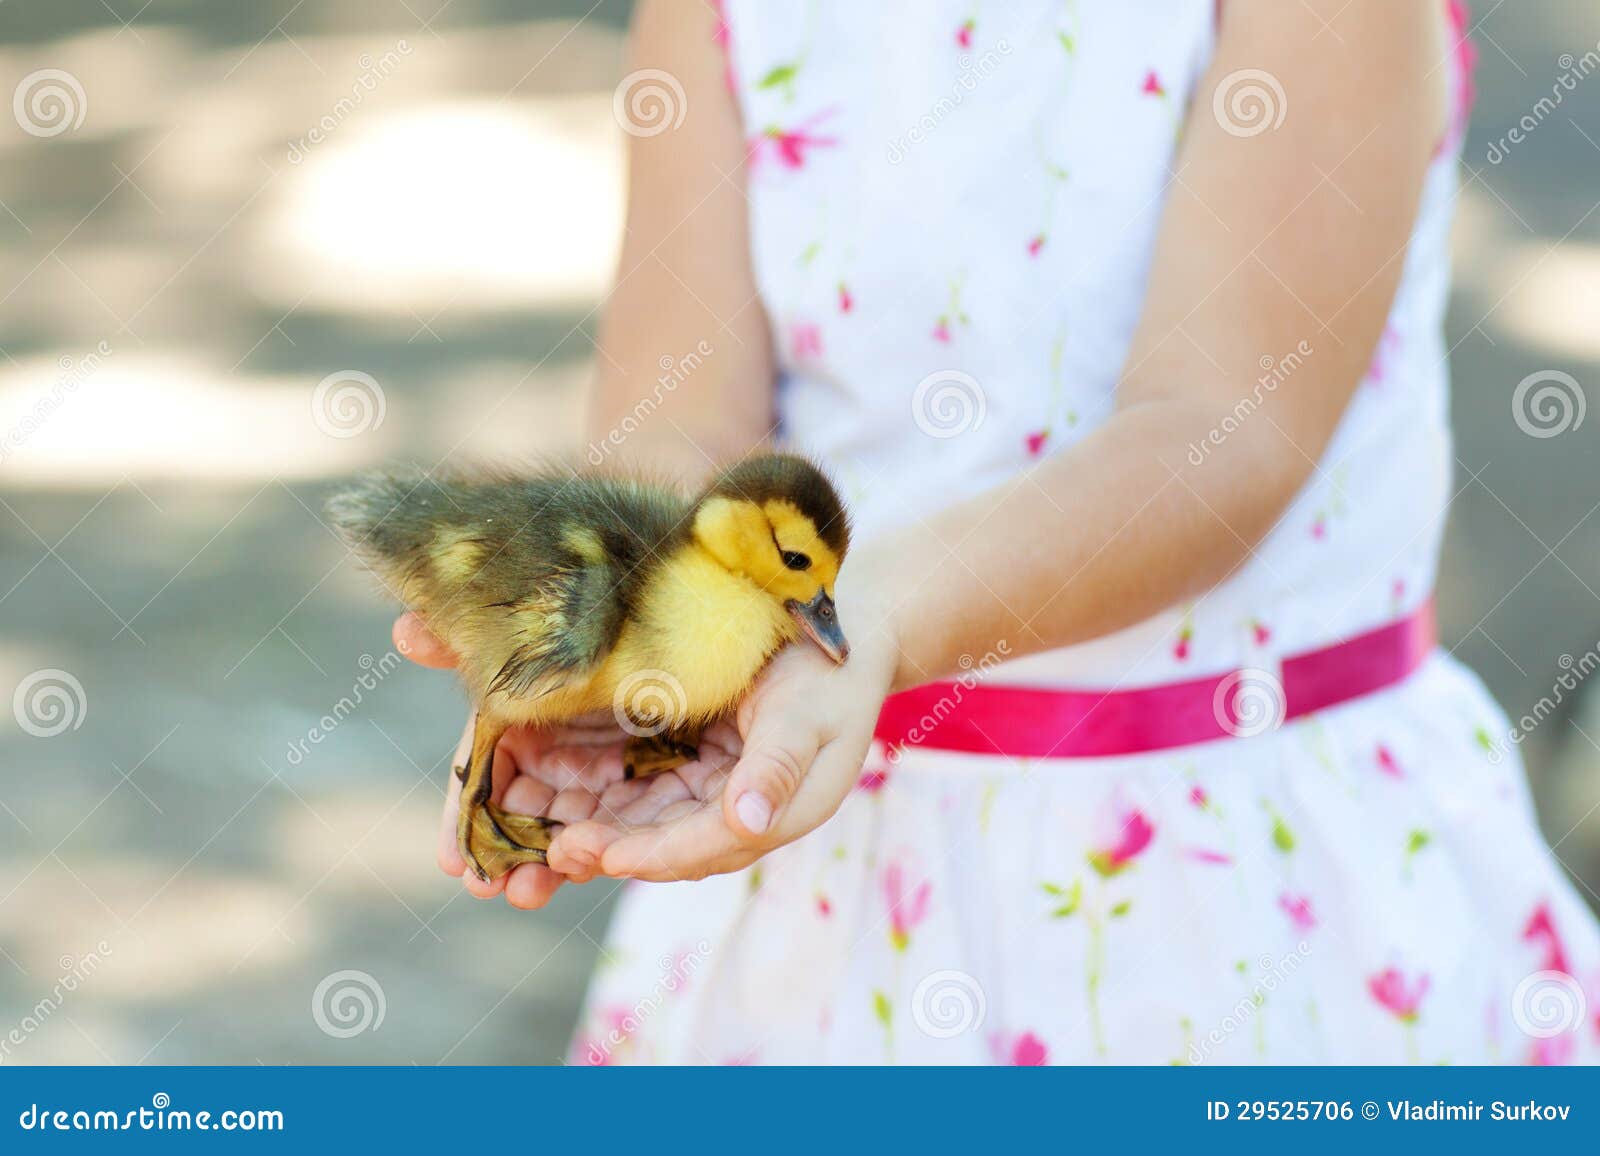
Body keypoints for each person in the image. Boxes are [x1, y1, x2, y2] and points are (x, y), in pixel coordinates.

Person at [397, 0, 1600, 1064]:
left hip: (1227, 879)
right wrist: (627, 629)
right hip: (820, 864)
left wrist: (870, 621)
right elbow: (678, 420)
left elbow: (1220, 429)